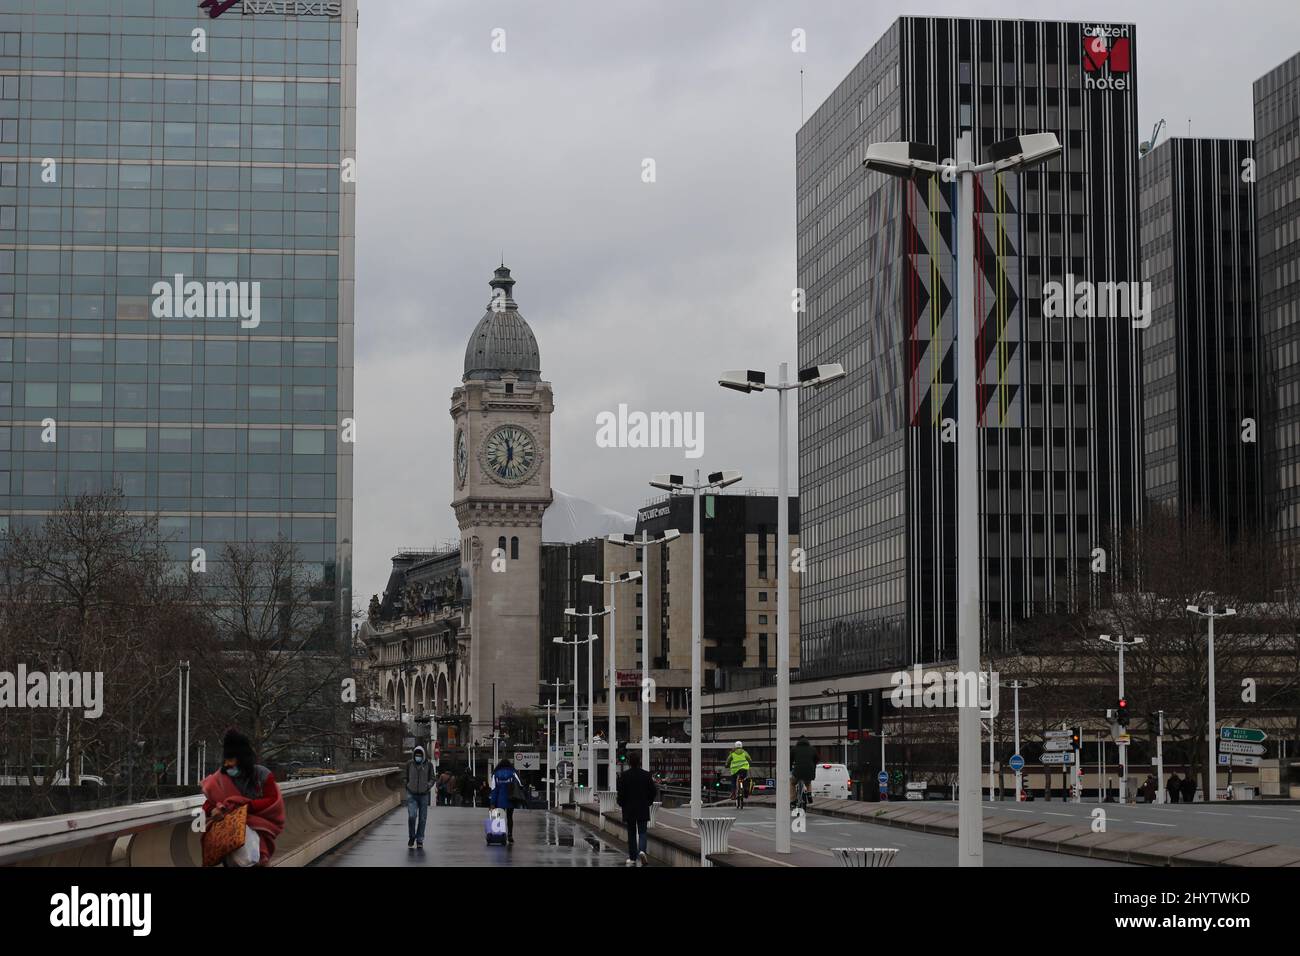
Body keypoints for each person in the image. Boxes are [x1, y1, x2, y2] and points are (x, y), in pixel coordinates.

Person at [200, 728, 286, 867]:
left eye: (231, 760)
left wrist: (245, 807)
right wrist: (213, 811)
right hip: (229, 840)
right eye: (226, 760)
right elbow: (209, 803)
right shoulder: (220, 778)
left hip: (256, 836)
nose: (228, 764)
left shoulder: (262, 775)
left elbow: (272, 800)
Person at [616, 750, 658, 866]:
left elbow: (621, 793)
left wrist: (621, 803)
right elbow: (653, 791)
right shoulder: (646, 775)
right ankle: (642, 851)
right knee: (643, 832)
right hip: (642, 807)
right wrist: (648, 802)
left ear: (629, 763)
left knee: (631, 833)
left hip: (629, 809)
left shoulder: (625, 775)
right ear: (639, 762)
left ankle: (633, 858)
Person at [405, 745, 434, 849]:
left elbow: (432, 778)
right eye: (416, 755)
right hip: (411, 794)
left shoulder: (429, 765)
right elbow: (405, 777)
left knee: (422, 819)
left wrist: (428, 786)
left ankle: (420, 839)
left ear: (423, 756)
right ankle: (412, 836)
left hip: (423, 795)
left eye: (420, 756)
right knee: (412, 816)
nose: (418, 757)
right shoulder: (409, 764)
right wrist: (407, 785)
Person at [489, 758, 524, 845]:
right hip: (511, 799)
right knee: (509, 817)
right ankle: (510, 835)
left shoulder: (496, 774)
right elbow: (520, 784)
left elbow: (494, 789)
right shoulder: (513, 773)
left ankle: (500, 835)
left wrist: (492, 803)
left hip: (499, 800)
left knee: (499, 817)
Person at [791, 736, 816, 808]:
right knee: (808, 783)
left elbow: (789, 760)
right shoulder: (812, 749)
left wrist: (790, 769)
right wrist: (813, 766)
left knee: (792, 783)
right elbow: (817, 759)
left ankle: (793, 800)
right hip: (809, 771)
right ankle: (809, 794)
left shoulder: (794, 749)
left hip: (797, 772)